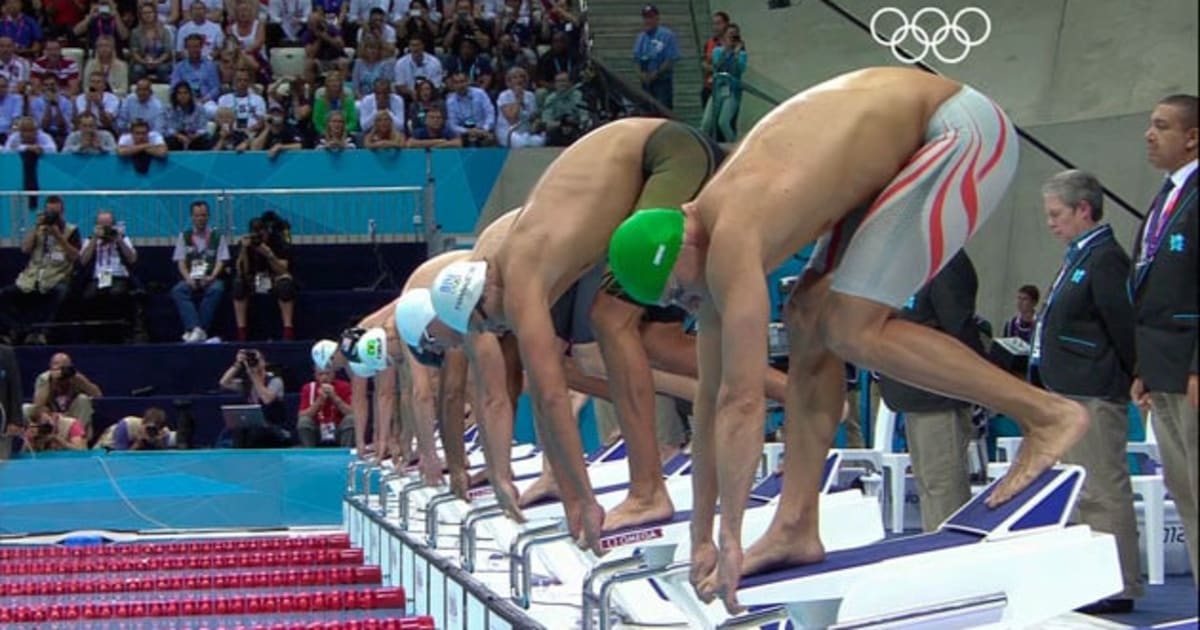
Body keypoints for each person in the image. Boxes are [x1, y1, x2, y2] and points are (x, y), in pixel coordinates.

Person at [605, 67, 1089, 613]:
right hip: (899, 151)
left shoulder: (731, 236)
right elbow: (711, 397)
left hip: (960, 132)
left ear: (683, 248)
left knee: (849, 326)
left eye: (679, 292)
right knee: (807, 314)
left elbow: (742, 403)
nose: (688, 306)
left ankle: (1046, 414)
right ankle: (795, 525)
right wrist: (701, 536)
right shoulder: (704, 238)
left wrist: (731, 539)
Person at [428, 118, 741, 542]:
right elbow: (544, 390)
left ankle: (649, 491)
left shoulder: (519, 279)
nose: (495, 330)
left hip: (666, 154)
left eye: (486, 322)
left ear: (484, 295)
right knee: (621, 337)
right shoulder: (505, 271)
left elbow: (543, 396)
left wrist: (582, 501)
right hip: (643, 168)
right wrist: (568, 494)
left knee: (612, 319)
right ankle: (782, 390)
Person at [1034, 169, 1142, 611]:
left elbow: (1124, 325)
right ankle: (1093, 578)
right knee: (1081, 490)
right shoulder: (1080, 256)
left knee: (1101, 487)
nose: (1050, 223)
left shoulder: (1105, 258)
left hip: (1093, 390)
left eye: (1056, 214)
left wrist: (1134, 374)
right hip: (1070, 390)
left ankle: (1118, 583)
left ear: (1083, 209)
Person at [1129, 93, 1197, 586]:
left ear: (1193, 137)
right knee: (1186, 491)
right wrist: (1142, 368)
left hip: (1190, 365)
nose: (1149, 135)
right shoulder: (1167, 195)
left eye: (1162, 126)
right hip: (1163, 366)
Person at [878, 251, 983, 532]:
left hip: (938, 393)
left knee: (942, 483)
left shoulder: (946, 262)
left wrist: (979, 381)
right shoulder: (910, 261)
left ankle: (949, 550)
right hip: (913, 389)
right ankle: (935, 541)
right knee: (928, 483)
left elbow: (959, 328)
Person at [297, 362, 354, 447]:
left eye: (327, 374)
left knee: (351, 419)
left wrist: (334, 397)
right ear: (315, 376)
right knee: (304, 421)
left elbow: (352, 413)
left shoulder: (345, 386)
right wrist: (319, 401)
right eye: (320, 374)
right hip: (318, 431)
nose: (324, 377)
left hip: (338, 430)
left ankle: (345, 451)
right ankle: (308, 452)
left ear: (333, 374)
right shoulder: (308, 388)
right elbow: (302, 415)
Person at [94, 407, 175, 450]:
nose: (150, 432)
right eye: (148, 428)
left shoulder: (164, 433)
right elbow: (120, 457)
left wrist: (159, 444)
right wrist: (138, 444)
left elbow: (163, 458)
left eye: (154, 429)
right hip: (107, 448)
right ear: (143, 422)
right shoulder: (127, 425)